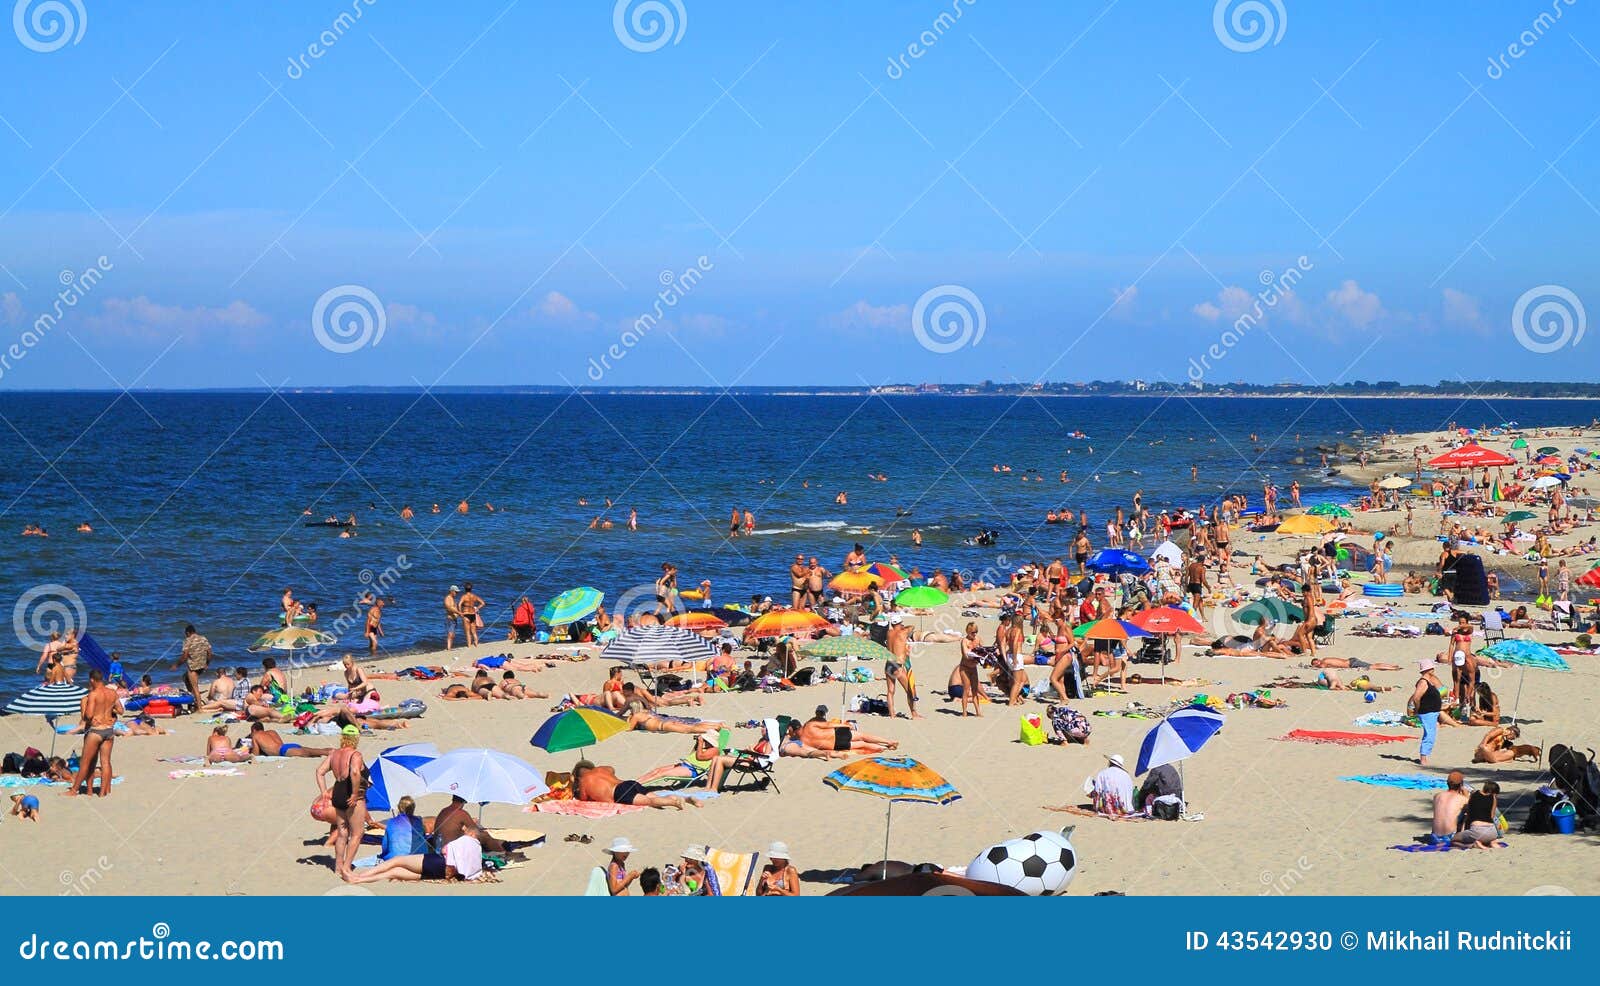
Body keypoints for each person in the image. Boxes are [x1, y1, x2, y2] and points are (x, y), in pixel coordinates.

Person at [350, 820, 488, 883]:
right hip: (441, 874)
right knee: (394, 872)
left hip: (438, 863)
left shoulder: (465, 841)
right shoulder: (477, 849)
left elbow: (448, 851)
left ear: (471, 834)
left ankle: (360, 876)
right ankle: (360, 880)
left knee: (397, 861)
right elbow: (472, 871)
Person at [316, 724, 369, 881]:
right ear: (355, 739)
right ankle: (346, 868)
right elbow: (354, 772)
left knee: (342, 832)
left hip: (337, 794)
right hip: (352, 795)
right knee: (357, 833)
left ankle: (338, 866)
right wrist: (354, 793)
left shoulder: (334, 754)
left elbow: (319, 771)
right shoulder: (355, 755)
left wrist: (324, 792)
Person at [64, 669, 118, 799]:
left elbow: (88, 715)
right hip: (109, 730)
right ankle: (103, 792)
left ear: (92, 680)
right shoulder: (112, 693)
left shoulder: (93, 694)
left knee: (85, 763)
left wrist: (92, 718)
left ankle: (74, 790)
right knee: (106, 762)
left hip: (96, 731)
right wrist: (111, 716)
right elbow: (120, 710)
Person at [573, 759, 701, 810]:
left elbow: (583, 799)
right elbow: (611, 768)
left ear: (578, 776)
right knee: (654, 797)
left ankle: (674, 802)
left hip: (619, 792)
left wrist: (578, 788)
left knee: (649, 801)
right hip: (629, 783)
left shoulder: (584, 781)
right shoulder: (601, 769)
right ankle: (687, 798)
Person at [799, 706, 898, 753]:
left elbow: (812, 751)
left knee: (863, 744)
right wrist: (845, 725)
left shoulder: (803, 743)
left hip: (836, 745)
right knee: (863, 736)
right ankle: (889, 742)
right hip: (837, 734)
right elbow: (829, 725)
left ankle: (886, 748)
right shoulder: (810, 724)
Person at [1408, 659, 1444, 767]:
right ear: (1429, 670)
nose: (1434, 670)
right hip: (1427, 712)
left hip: (1432, 711)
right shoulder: (1423, 682)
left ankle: (1424, 756)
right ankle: (1423, 758)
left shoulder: (1429, 681)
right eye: (1432, 668)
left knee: (1431, 734)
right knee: (1429, 735)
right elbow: (1416, 697)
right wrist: (1418, 709)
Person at [884, 614, 920, 719]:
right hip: (897, 665)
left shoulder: (889, 633)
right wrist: (904, 627)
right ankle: (914, 714)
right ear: (900, 623)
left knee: (890, 691)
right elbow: (912, 627)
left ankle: (892, 714)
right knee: (909, 690)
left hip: (888, 664)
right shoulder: (903, 632)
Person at [1452, 781, 1503, 849]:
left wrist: (1463, 829)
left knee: (1452, 840)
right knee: (1484, 837)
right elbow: (1492, 816)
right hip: (1492, 832)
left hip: (1477, 831)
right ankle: (1492, 842)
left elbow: (1469, 814)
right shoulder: (1493, 798)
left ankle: (1472, 845)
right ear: (1493, 792)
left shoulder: (1473, 795)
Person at [248, 722, 334, 758]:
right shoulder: (272, 732)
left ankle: (332, 752)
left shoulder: (255, 735)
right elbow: (280, 744)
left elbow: (256, 754)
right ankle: (334, 751)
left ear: (253, 730)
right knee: (315, 751)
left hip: (283, 751)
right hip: (286, 746)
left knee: (315, 752)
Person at [171, 624, 211, 701]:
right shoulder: (203, 638)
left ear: (188, 633)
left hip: (193, 668)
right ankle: (193, 695)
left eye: (186, 634)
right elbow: (209, 653)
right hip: (202, 666)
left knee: (195, 687)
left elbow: (184, 657)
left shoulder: (187, 640)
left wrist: (176, 665)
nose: (186, 636)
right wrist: (207, 664)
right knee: (185, 677)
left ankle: (198, 704)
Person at [1430, 771, 1470, 843]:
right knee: (1467, 815)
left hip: (1434, 837)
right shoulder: (1463, 799)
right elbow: (1472, 810)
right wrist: (1466, 796)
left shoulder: (1437, 796)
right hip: (1450, 837)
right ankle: (1461, 833)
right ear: (1461, 785)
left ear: (1447, 783)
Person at [459, 582, 484, 648]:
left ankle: (469, 646)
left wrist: (460, 613)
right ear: (471, 589)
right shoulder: (474, 596)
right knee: (474, 631)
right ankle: (476, 644)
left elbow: (459, 604)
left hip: (466, 614)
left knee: (467, 632)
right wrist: (477, 608)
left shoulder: (464, 596)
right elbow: (482, 603)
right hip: (473, 614)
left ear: (465, 589)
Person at [444, 585, 461, 650]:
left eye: (457, 592)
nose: (457, 593)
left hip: (454, 619)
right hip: (450, 619)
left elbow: (455, 608)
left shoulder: (453, 599)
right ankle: (448, 648)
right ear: (451, 591)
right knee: (450, 634)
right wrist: (459, 613)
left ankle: (449, 647)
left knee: (453, 635)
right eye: (456, 592)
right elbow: (449, 608)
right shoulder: (448, 598)